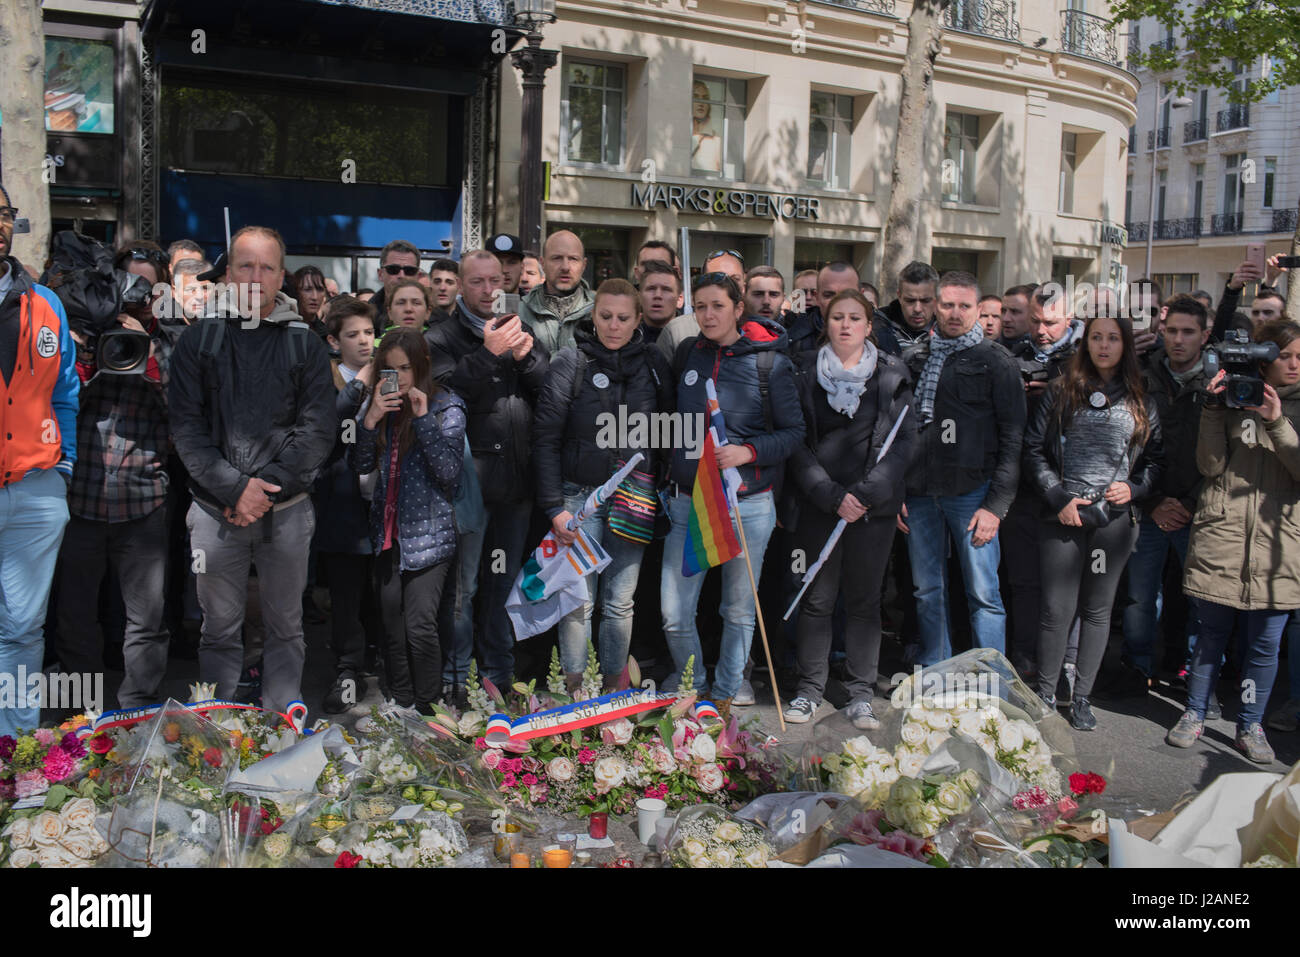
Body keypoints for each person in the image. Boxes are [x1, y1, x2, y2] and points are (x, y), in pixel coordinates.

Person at [169, 225, 337, 715]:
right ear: (227, 273)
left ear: (281, 276)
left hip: (287, 513)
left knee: (287, 627)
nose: (255, 276)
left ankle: (283, 727)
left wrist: (265, 490)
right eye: (246, 264)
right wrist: (234, 488)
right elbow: (186, 430)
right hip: (214, 511)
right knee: (217, 630)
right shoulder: (198, 341)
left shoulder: (304, 343)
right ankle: (218, 733)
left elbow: (318, 431)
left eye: (267, 267)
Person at [660, 272, 804, 719]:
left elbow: (795, 433)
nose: (707, 315)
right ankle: (693, 685)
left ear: (737, 308)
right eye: (700, 306)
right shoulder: (688, 352)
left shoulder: (771, 363)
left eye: (717, 305)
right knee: (675, 613)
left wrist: (748, 450)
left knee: (739, 611)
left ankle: (722, 695)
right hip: (689, 500)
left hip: (748, 501)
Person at [1022, 313, 1163, 730]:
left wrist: (1134, 490)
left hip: (1113, 522)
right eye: (1096, 338)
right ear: (1086, 343)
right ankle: (1046, 693)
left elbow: (1156, 461)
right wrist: (1057, 495)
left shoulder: (1142, 397)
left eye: (1113, 338)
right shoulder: (1063, 389)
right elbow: (1033, 449)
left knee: (1098, 610)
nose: (1103, 345)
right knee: (1055, 608)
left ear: (1125, 346)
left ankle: (1081, 697)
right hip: (1062, 516)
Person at [1169, 319, 1300, 763]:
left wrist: (1277, 421)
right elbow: (1209, 465)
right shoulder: (1231, 397)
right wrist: (1212, 407)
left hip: (1279, 541)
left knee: (1263, 645)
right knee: (1211, 635)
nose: (1294, 364)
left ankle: (1250, 725)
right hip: (1222, 534)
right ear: (1267, 357)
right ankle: (1193, 712)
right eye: (1285, 356)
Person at [783, 290, 915, 728]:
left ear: (868, 325)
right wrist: (831, 495)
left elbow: (902, 446)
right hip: (820, 505)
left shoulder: (893, 373)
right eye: (837, 317)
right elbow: (796, 441)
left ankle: (860, 693)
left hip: (870, 511)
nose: (845, 325)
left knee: (864, 601)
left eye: (854, 318)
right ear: (826, 321)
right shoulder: (803, 369)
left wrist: (865, 495)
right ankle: (809, 689)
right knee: (816, 600)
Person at [533, 279, 674, 689]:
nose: (614, 325)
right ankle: (574, 692)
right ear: (592, 317)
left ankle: (615, 688)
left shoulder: (653, 365)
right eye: (606, 316)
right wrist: (554, 508)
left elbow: (668, 432)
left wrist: (658, 481)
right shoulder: (569, 362)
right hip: (579, 499)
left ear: (638, 320)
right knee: (578, 603)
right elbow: (545, 440)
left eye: (623, 318)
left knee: (620, 602)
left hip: (634, 499)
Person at [424, 250, 549, 687]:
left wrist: (526, 359)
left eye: (496, 280)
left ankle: (499, 677)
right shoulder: (440, 336)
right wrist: (490, 353)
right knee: (464, 590)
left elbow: (548, 391)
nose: (488, 290)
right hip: (466, 486)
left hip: (516, 486)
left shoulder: (522, 328)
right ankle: (456, 680)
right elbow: (443, 395)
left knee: (504, 584)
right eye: (477, 281)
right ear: (460, 285)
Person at [56, 272, 174, 709]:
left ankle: (138, 711)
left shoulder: (161, 349)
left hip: (143, 504)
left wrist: (145, 353)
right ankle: (77, 714)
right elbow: (60, 406)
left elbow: (182, 414)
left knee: (146, 619)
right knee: (75, 617)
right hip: (81, 503)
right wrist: (87, 357)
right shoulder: (82, 348)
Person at [898, 271, 1025, 666]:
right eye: (947, 304)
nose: (954, 313)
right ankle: (938, 673)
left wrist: (996, 505)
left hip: (973, 494)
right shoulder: (916, 359)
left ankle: (992, 684)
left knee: (983, 594)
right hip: (920, 494)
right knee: (926, 591)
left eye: (964, 306)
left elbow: (1013, 439)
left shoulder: (997, 361)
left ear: (979, 309)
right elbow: (901, 431)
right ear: (935, 306)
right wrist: (899, 491)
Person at [351, 328, 465, 715]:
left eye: (405, 368)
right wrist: (370, 421)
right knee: (391, 625)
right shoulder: (378, 404)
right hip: (387, 532)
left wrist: (423, 420)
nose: (398, 378)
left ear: (422, 367)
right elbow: (362, 465)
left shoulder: (447, 405)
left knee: (420, 627)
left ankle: (429, 708)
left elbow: (449, 473)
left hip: (431, 534)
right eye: (389, 369)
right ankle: (400, 702)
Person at [0, 184, 79, 736]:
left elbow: (66, 392)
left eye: (2, 214)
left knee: (24, 629)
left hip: (36, 486)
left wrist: (63, 469)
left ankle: (15, 749)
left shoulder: (44, 302)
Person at [1118, 295, 1211, 697]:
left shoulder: (1219, 381)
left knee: (1201, 601)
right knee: (1141, 597)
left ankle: (1196, 674)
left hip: (1199, 510)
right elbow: (1128, 446)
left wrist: (1189, 503)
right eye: (1171, 330)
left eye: (1188, 332)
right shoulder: (1141, 376)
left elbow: (1225, 457)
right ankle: (1137, 669)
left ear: (1205, 336)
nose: (1178, 339)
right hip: (1149, 505)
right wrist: (1153, 501)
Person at [1000, 286, 1086, 679]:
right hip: (1020, 488)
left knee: (1064, 589)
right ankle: (1023, 659)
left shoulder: (1086, 362)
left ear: (1070, 319)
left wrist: (1053, 390)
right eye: (1034, 321)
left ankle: (1065, 663)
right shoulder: (1011, 354)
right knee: (1022, 581)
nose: (1040, 330)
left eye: (1050, 323)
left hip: (1066, 489)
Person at [319, 296, 380, 713]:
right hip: (341, 506)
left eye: (369, 333)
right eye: (353, 335)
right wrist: (361, 382)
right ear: (333, 341)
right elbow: (330, 427)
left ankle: (378, 666)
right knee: (345, 597)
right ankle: (346, 672)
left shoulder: (388, 377)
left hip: (383, 503)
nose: (364, 342)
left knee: (381, 595)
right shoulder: (326, 379)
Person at [519, 230, 594, 355]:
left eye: (573, 259)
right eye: (557, 258)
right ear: (542, 263)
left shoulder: (601, 311)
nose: (565, 267)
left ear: (584, 265)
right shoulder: (520, 313)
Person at [876, 261, 937, 353]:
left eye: (925, 301)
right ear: (899, 296)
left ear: (937, 298)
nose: (917, 309)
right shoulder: (878, 323)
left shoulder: (949, 328)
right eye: (910, 301)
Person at [371, 239, 422, 333]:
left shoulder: (439, 320)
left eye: (409, 270)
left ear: (418, 276)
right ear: (380, 274)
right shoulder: (365, 316)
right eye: (393, 269)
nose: (401, 276)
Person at [637, 260, 683, 344]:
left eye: (666, 289)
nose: (657, 295)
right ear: (639, 297)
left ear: (680, 299)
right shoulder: (625, 338)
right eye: (651, 289)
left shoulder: (694, 339)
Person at [691, 80, 722, 173]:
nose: (701, 103)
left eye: (705, 98)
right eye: (696, 97)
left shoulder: (716, 140)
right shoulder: (678, 133)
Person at [171, 259, 212, 324]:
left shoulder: (226, 326)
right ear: (175, 292)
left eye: (205, 288)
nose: (200, 296)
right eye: (191, 289)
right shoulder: (163, 330)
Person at [293, 265, 329, 337]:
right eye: (307, 289)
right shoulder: (284, 330)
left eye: (320, 289)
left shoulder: (328, 333)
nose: (314, 297)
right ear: (296, 292)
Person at [998, 283, 1035, 349]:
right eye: (1003, 311)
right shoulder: (988, 351)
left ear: (1032, 315)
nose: (1006, 319)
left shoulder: (1045, 355)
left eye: (1014, 312)